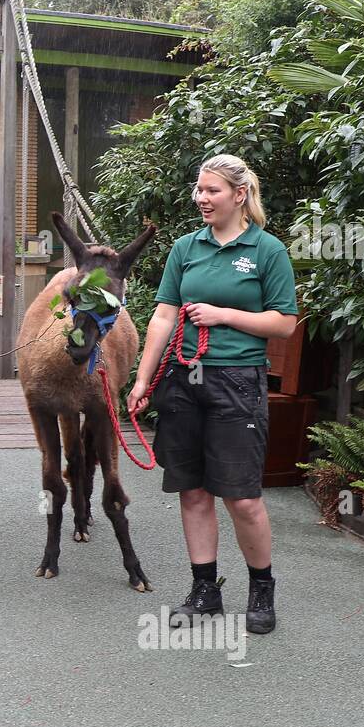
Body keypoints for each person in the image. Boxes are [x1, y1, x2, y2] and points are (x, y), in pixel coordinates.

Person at [126, 154, 298, 634]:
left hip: (238, 383)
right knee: (193, 490)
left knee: (241, 498)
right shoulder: (186, 248)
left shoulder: (267, 251)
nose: (202, 198)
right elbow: (163, 316)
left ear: (239, 195)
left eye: (211, 191)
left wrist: (225, 315)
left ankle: (261, 590)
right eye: (199, 190)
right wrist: (142, 381)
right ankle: (205, 591)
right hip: (184, 381)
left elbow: (283, 323)